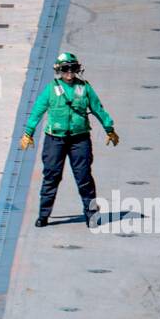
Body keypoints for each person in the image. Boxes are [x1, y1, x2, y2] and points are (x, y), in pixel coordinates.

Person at [19, 51, 118, 227]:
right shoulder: (51, 89)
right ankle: (43, 215)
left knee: (84, 177)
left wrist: (109, 128)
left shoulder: (85, 88)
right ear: (59, 70)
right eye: (65, 69)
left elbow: (98, 108)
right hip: (54, 140)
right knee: (51, 176)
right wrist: (28, 133)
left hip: (80, 140)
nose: (69, 73)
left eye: (72, 69)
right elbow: (37, 111)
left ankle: (91, 214)